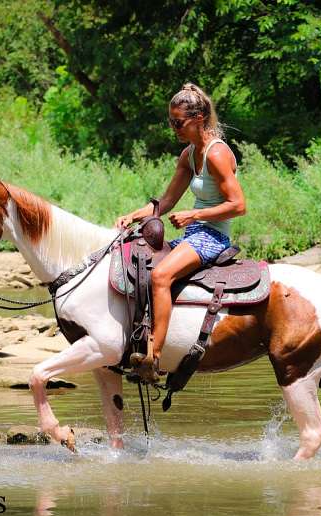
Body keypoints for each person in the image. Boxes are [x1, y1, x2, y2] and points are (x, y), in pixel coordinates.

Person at [115, 82, 246, 380]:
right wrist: (133, 216)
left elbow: (238, 205)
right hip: (193, 234)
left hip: (212, 236)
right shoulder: (189, 154)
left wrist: (195, 214)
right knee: (140, 261)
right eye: (170, 122)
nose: (174, 128)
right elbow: (167, 201)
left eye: (178, 122)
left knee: (161, 276)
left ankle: (153, 357)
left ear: (199, 118)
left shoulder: (216, 154)